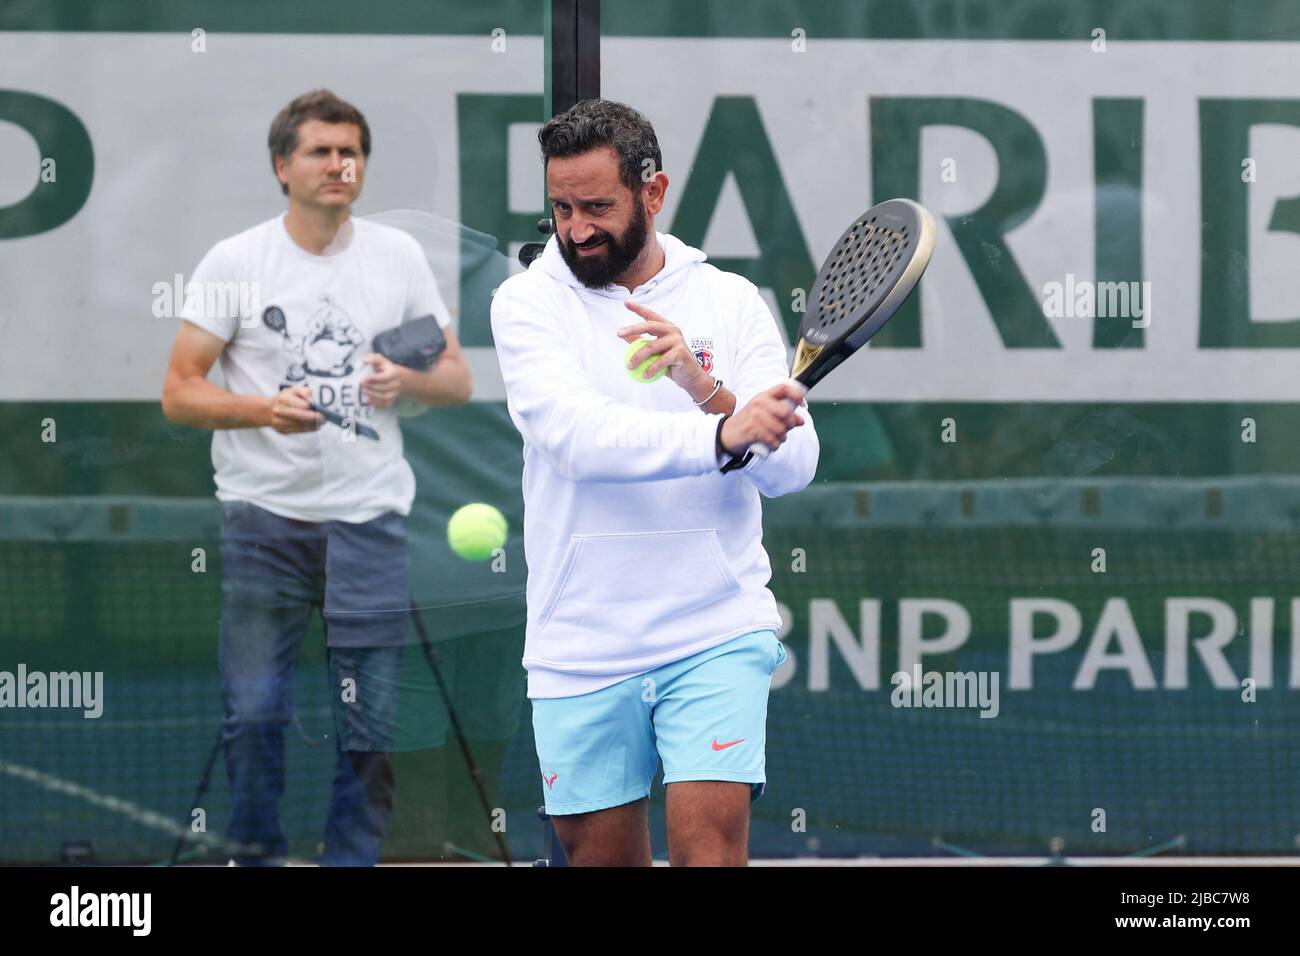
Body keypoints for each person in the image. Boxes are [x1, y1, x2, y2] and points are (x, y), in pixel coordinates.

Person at [490, 98, 819, 866]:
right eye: (561, 207)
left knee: (710, 850)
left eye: (597, 206)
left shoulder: (730, 301)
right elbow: (577, 439)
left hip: (713, 627)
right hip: (581, 640)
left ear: (653, 191)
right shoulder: (527, 302)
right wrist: (718, 432)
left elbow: (794, 467)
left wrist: (706, 389)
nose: (575, 229)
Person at [161, 89, 472, 865]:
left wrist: (410, 384)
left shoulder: (397, 259)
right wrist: (265, 410)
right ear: (282, 166)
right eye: (320, 152)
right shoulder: (235, 262)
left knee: (369, 723)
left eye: (351, 152)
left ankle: (351, 862)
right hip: (263, 524)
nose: (339, 165)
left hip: (369, 525)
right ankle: (257, 853)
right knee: (257, 714)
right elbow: (180, 392)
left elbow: (457, 379)